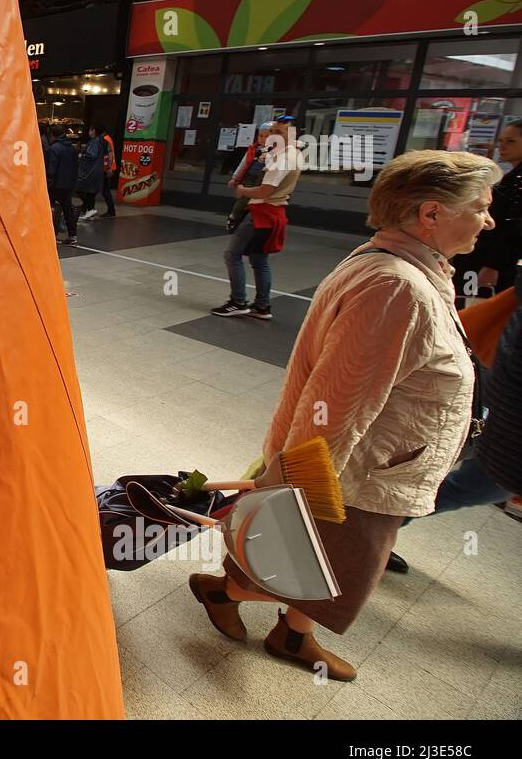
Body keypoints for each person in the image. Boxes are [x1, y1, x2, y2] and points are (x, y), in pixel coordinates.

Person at [190, 150, 500, 680]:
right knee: (326, 558)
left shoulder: (398, 268)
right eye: (480, 206)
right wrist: (300, 485)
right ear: (430, 214)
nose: (488, 220)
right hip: (361, 471)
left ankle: (291, 630)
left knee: (323, 561)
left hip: (372, 464)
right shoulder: (396, 286)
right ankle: (229, 594)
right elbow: (338, 400)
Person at [387, 266, 522, 573]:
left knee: (478, 483)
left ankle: (373, 530)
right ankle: (363, 531)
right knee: (469, 474)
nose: (486, 220)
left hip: (494, 391)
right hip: (499, 394)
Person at [210, 117, 302, 320]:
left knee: (232, 255)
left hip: (262, 212)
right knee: (259, 260)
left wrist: (243, 190)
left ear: (292, 134)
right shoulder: (292, 153)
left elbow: (264, 190)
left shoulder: (283, 159)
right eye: (274, 131)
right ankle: (262, 306)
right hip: (274, 212)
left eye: (281, 131)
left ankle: (238, 302)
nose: (275, 135)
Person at [464, 119, 522, 294]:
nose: (503, 147)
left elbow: (515, 225)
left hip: (495, 263)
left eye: (511, 141)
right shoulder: (511, 177)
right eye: (501, 141)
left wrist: (493, 264)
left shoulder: (516, 181)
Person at [45, 125, 79, 245]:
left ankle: (47, 233)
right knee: (67, 209)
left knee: (47, 208)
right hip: (68, 184)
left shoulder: (54, 149)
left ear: (52, 135)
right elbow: (76, 167)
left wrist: (48, 182)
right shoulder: (72, 148)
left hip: (55, 184)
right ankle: (72, 236)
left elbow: (51, 169)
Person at [75, 126, 107, 219]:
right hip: (97, 169)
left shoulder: (95, 142)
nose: (89, 132)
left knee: (79, 188)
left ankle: (90, 209)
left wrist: (82, 155)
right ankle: (90, 212)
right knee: (91, 192)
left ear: (94, 131)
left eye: (90, 130)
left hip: (90, 170)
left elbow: (92, 155)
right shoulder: (101, 141)